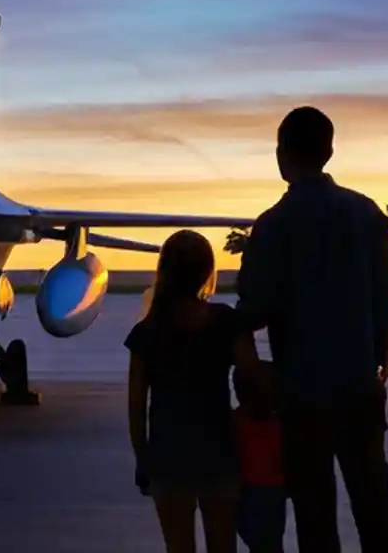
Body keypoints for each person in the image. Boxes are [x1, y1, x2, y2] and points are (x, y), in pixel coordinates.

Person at [236, 106, 388, 553]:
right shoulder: (367, 214)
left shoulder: (273, 226)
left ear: (282, 154)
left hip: (303, 398)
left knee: (315, 520)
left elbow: (251, 309)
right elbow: (387, 298)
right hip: (360, 390)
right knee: (375, 509)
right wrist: (380, 368)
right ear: (329, 150)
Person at [127, 230, 262, 553]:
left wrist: (143, 457)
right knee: (223, 545)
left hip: (168, 454)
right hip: (218, 451)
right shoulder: (225, 322)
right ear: (206, 271)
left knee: (178, 547)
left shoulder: (147, 332)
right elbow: (252, 379)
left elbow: (135, 406)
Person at [233, 362, 286, 553]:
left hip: (248, 492)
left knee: (259, 542)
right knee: (271, 543)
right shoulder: (280, 425)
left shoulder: (236, 422)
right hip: (273, 492)